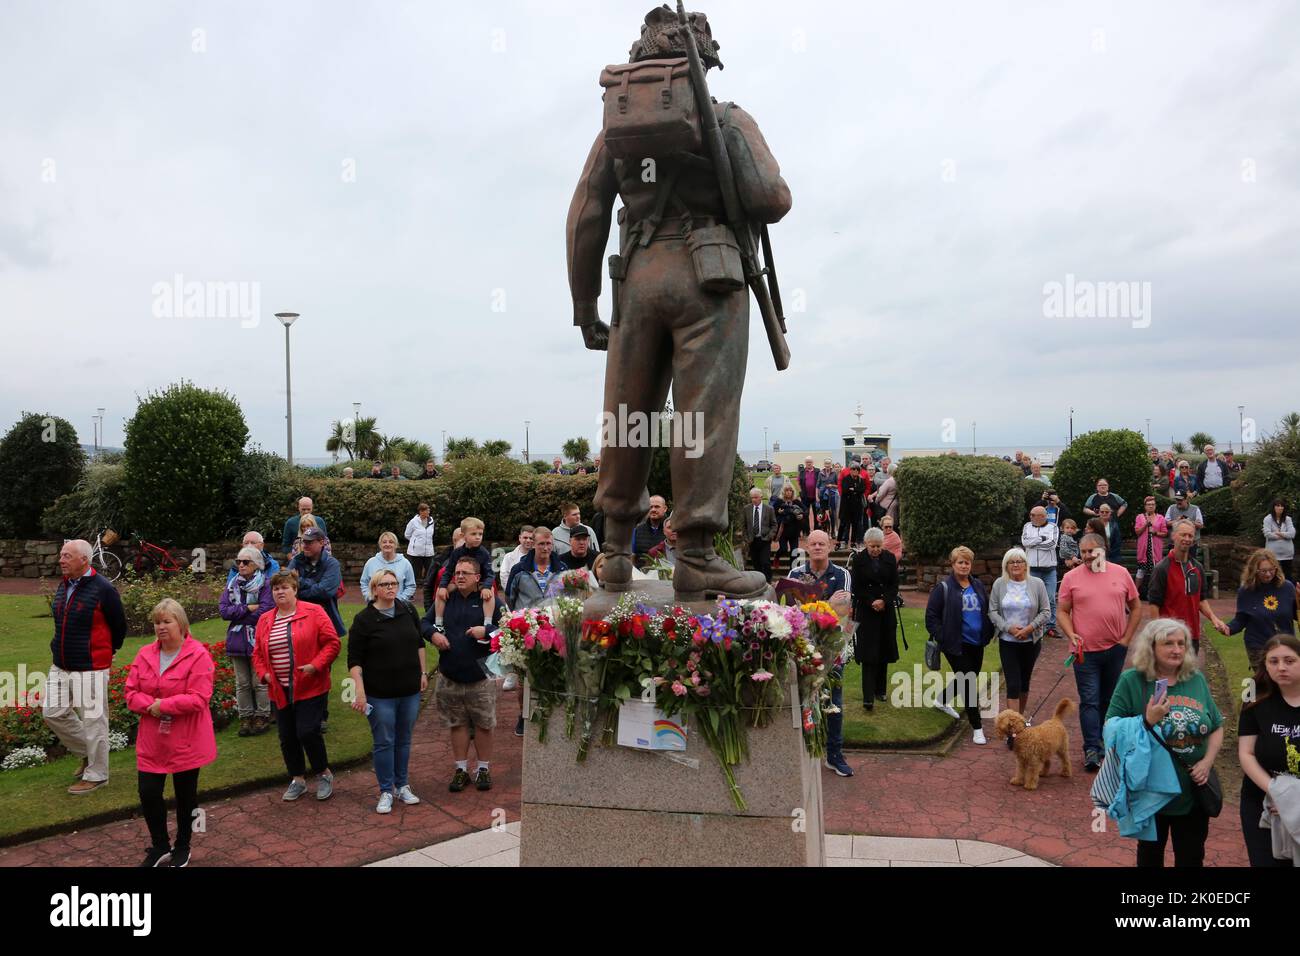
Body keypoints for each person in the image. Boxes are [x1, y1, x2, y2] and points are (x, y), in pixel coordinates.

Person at [1106, 618, 1223, 867]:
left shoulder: (1195, 680)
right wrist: (1146, 722)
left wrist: (1207, 761)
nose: (1177, 649)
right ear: (1151, 647)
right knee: (1150, 858)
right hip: (1150, 790)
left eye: (1181, 643)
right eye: (1168, 643)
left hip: (1192, 789)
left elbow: (1216, 727)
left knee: (1192, 857)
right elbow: (1110, 729)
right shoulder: (1132, 681)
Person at [125, 599, 217, 867]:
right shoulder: (144, 654)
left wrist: (161, 704)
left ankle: (183, 845)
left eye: (167, 621)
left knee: (185, 795)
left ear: (181, 623)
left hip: (187, 738)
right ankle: (160, 845)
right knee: (148, 792)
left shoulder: (198, 655)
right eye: (157, 622)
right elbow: (130, 693)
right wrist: (151, 707)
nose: (161, 627)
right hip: (153, 738)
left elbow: (199, 698)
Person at [43, 539, 126, 794]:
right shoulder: (65, 584)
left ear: (84, 560)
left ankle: (98, 775)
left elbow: (119, 626)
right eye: (61, 555)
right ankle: (87, 754)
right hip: (61, 664)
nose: (61, 560)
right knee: (52, 712)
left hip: (91, 666)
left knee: (94, 721)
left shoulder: (103, 589)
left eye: (67, 556)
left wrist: (107, 653)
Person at [253, 570, 340, 802]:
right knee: (287, 736)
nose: (279, 592)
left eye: (284, 587)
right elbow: (257, 655)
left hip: (310, 685)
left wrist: (315, 665)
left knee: (307, 731)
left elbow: (332, 643)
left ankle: (324, 773)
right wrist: (264, 675)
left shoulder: (314, 612)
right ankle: (298, 779)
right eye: (276, 588)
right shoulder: (265, 619)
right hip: (279, 689)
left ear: (295, 590)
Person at [1057, 532, 1142, 771]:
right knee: (1090, 700)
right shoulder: (1071, 577)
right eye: (1083, 551)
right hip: (1084, 651)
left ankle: (1103, 739)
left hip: (1115, 648)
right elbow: (1062, 611)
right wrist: (1070, 633)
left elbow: (1136, 608)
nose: (1086, 556)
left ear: (1103, 550)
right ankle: (1091, 748)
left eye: (1091, 551)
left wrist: (1127, 638)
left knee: (1108, 698)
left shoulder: (1121, 573)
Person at [348, 569, 427, 814]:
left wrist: (423, 673)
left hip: (409, 689)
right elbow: (354, 660)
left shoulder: (408, 611)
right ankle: (385, 789)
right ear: (374, 589)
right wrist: (359, 691)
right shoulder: (364, 620)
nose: (390, 588)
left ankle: (402, 785)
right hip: (379, 693)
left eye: (394, 583)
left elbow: (419, 644)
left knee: (404, 739)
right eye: (384, 584)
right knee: (384, 741)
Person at [423, 556, 497, 792]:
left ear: (478, 577)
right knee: (457, 724)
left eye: (466, 572)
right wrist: (433, 635)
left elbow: (509, 627)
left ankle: (483, 769)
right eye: (457, 572)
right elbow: (423, 623)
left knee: (484, 725)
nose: (460, 576)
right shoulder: (446, 598)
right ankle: (461, 770)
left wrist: (486, 630)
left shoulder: (490, 600)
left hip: (481, 677)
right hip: (450, 675)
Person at [787, 531, 853, 776]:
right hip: (804, 647)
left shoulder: (843, 574)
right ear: (806, 546)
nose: (817, 547)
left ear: (830, 546)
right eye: (812, 543)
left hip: (834, 648)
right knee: (804, 700)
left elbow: (844, 607)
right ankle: (806, 751)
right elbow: (788, 609)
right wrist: (827, 603)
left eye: (821, 544)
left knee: (834, 702)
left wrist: (809, 603)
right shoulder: (795, 574)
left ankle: (834, 754)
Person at [1236, 634, 1300, 867]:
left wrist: (1295, 799)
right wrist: (1278, 793)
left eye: (1289, 660)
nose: (1281, 667)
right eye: (1273, 661)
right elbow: (1246, 753)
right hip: (1261, 798)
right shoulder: (1254, 695)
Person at [924, 545, 995, 744]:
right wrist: (943, 636)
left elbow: (986, 609)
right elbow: (931, 617)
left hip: (977, 642)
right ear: (953, 564)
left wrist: (988, 632)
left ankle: (941, 700)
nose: (964, 566)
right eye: (960, 562)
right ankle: (977, 727)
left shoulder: (978, 585)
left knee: (965, 678)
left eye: (967, 562)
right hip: (955, 644)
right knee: (968, 682)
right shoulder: (944, 588)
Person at [1147, 519, 1229, 656]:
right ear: (1173, 536)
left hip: (1192, 635)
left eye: (1190, 536)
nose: (1187, 539)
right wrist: (1156, 635)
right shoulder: (1162, 569)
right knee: (1166, 676)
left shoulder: (1197, 567)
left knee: (1188, 676)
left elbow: (1201, 599)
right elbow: (1154, 604)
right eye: (1183, 535)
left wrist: (1214, 619)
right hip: (1169, 636)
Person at [218, 546, 274, 736]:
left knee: (259, 681)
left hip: (258, 639)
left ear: (256, 564)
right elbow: (224, 611)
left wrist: (239, 613)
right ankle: (245, 717)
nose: (240, 565)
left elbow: (265, 612)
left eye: (245, 562)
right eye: (238, 562)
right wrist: (248, 608)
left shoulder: (266, 584)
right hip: (236, 640)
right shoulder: (233, 584)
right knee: (241, 682)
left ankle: (262, 716)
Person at [989, 549, 1051, 715]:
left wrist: (1029, 628)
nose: (1016, 565)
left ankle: (1019, 719)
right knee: (1013, 684)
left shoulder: (1037, 583)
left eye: (1019, 561)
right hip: (1008, 642)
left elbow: (1046, 611)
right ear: (1006, 566)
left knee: (1024, 682)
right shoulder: (999, 584)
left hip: (1030, 642)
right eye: (1011, 562)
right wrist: (1008, 627)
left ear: (1026, 565)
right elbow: (992, 612)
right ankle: (1013, 729)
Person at [849, 528, 898, 716]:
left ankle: (881, 690)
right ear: (866, 544)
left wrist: (884, 600)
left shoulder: (890, 558)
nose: (876, 549)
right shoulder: (859, 560)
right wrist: (871, 601)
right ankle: (868, 697)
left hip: (885, 611)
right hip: (866, 611)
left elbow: (894, 585)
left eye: (878, 546)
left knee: (883, 651)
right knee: (869, 654)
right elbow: (857, 587)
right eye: (872, 546)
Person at [1226, 550, 1299, 671]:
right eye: (1263, 571)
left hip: (1287, 646)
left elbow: (1296, 614)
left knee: (1286, 683)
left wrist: (1299, 600)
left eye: (1272, 569)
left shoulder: (1287, 587)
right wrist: (1227, 628)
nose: (1268, 574)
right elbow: (1241, 619)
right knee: (1266, 686)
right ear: (1254, 571)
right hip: (1258, 646)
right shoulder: (1246, 591)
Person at [432, 518, 494, 625]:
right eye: (474, 534)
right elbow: (448, 571)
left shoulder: (484, 553)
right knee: (440, 591)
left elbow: (490, 574)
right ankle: (438, 622)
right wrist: (442, 586)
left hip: (479, 584)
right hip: (459, 583)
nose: (478, 537)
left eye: (480, 534)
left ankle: (487, 622)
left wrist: (487, 587)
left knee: (490, 591)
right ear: (463, 535)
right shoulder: (457, 553)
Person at [289, 528, 346, 636]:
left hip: (325, 617)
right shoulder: (296, 560)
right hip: (298, 616)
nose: (305, 545)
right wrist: (313, 584)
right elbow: (286, 585)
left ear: (321, 542)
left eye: (309, 542)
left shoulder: (332, 564)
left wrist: (299, 584)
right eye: (304, 541)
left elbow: (324, 592)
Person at [1021, 506, 1060, 636]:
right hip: (1031, 568)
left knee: (1050, 599)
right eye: (1031, 514)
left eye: (1033, 515)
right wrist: (1041, 539)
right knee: (1032, 599)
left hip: (1049, 569)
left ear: (1043, 516)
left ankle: (1050, 626)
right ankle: (1034, 626)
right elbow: (1025, 542)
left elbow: (1053, 544)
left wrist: (1033, 543)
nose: (1030, 517)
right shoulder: (1027, 526)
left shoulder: (1053, 527)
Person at [506, 526, 562, 609]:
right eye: (541, 544)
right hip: (526, 620)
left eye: (548, 543)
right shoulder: (519, 569)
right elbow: (509, 597)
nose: (546, 548)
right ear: (533, 545)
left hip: (554, 620)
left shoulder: (562, 569)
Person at [359, 532, 417, 603]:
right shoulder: (370, 563)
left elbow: (411, 585)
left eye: (391, 542)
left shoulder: (405, 563)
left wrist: (399, 600)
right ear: (380, 545)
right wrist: (370, 597)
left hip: (398, 606)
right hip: (375, 606)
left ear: (396, 545)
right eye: (384, 542)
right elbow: (364, 583)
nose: (387, 544)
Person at [1134, 496, 1169, 599]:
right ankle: (1135, 593)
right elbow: (1137, 532)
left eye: (1153, 504)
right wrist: (1145, 525)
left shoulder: (1161, 518)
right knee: (1141, 571)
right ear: (1145, 506)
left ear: (1155, 506)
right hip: (1144, 550)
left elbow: (1165, 533)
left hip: (1155, 550)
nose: (1151, 506)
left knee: (1156, 571)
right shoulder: (1140, 517)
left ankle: (1155, 593)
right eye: (1148, 505)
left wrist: (1156, 532)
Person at [425, 527, 466, 611]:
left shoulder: (478, 559)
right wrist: (429, 610)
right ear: (455, 540)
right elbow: (428, 586)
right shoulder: (439, 561)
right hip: (443, 607)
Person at [404, 503, 437, 596]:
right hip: (415, 553)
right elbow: (407, 535)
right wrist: (416, 543)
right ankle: (410, 594)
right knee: (414, 574)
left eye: (429, 510)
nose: (428, 512)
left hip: (429, 552)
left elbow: (431, 534)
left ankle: (429, 593)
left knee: (430, 573)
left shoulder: (431, 521)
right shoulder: (413, 522)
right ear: (421, 511)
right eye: (426, 510)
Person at [744, 487, 776, 581]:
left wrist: (770, 536)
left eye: (756, 497)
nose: (754, 499)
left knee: (765, 562)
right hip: (752, 540)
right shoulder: (747, 509)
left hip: (765, 540)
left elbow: (774, 524)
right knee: (756, 562)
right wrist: (746, 538)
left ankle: (768, 581)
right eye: (752, 498)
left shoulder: (769, 509)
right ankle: (759, 582)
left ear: (761, 497)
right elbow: (744, 525)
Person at [1165, 492, 1205, 560]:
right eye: (1177, 500)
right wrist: (1177, 521)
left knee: (1190, 566)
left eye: (1180, 500)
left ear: (1186, 499)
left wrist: (1189, 521)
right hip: (1174, 544)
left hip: (1190, 545)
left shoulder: (1195, 509)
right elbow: (1165, 523)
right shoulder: (1171, 508)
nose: (1178, 502)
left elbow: (1200, 525)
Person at [1263, 499, 1296, 582]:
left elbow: (1292, 534)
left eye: (1282, 506)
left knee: (1287, 577)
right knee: (1273, 576)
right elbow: (1267, 534)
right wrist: (1285, 535)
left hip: (1287, 554)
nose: (1280, 508)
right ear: (1273, 507)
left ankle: (1288, 594)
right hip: (1273, 554)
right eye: (1278, 506)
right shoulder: (1268, 519)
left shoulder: (1287, 519)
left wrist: (1280, 534)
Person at [773, 485, 804, 572]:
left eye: (790, 491)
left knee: (794, 551)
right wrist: (778, 512)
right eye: (787, 491)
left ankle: (792, 570)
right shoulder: (779, 501)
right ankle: (777, 556)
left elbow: (805, 510)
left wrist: (801, 515)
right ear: (784, 492)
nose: (789, 492)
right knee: (783, 549)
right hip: (783, 530)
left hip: (794, 529)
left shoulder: (796, 501)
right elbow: (773, 512)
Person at [837, 462, 867, 548]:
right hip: (846, 506)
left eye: (857, 469)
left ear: (859, 471)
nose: (855, 471)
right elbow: (845, 490)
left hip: (856, 506)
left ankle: (853, 542)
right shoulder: (846, 479)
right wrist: (855, 490)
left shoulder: (860, 480)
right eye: (853, 469)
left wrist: (853, 489)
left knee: (855, 524)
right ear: (850, 470)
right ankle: (839, 541)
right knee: (843, 524)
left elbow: (862, 489)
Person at [630, 496, 666, 561]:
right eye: (650, 507)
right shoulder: (637, 530)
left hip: (666, 570)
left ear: (665, 509)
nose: (653, 510)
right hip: (640, 570)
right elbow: (632, 555)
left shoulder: (671, 530)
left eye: (657, 507)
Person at [868, 463, 900, 529]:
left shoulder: (889, 481)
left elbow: (881, 493)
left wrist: (876, 501)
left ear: (889, 471)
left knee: (887, 523)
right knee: (894, 523)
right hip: (895, 503)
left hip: (887, 506)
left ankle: (888, 538)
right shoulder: (898, 480)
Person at [797, 456, 820, 534]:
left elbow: (820, 482)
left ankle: (816, 530)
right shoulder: (802, 472)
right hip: (805, 496)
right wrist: (800, 492)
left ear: (812, 463)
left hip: (815, 496)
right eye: (807, 462)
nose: (808, 463)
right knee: (805, 514)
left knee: (816, 513)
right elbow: (798, 483)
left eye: (810, 462)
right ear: (805, 463)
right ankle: (806, 531)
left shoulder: (817, 471)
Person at [817, 459, 840, 530]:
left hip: (832, 496)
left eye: (829, 464)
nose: (827, 465)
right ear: (824, 464)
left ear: (831, 465)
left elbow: (838, 485)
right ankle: (824, 530)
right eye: (826, 464)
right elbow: (817, 486)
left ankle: (833, 531)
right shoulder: (820, 473)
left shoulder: (834, 473)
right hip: (822, 496)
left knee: (832, 514)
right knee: (822, 513)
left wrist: (831, 485)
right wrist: (817, 497)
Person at [1057, 517, 1082, 581]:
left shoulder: (1071, 537)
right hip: (1066, 560)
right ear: (1062, 529)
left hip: (1072, 560)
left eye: (1072, 528)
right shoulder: (1064, 537)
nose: (1070, 530)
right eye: (1067, 528)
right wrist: (1072, 557)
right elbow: (1063, 549)